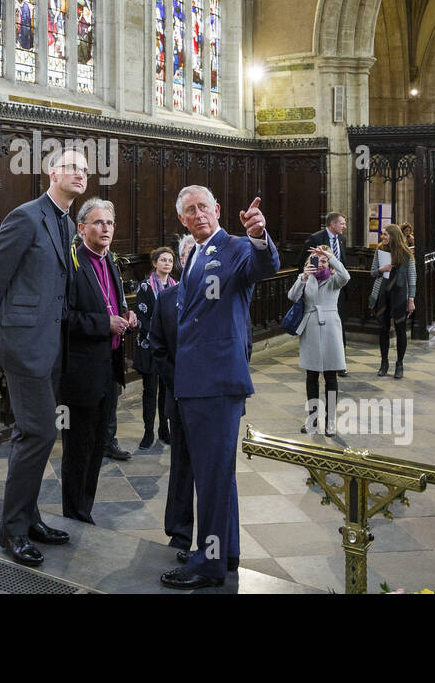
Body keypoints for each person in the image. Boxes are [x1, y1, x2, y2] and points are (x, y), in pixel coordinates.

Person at [159, 188, 279, 590]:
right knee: (217, 475)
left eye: (204, 207)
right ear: (182, 219)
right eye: (189, 210)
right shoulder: (191, 254)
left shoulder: (237, 248)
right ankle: (225, 553)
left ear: (219, 210)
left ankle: (207, 565)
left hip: (216, 382)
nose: (198, 215)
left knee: (210, 477)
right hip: (195, 383)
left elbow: (264, 264)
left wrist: (260, 236)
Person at [0, 148, 87, 567]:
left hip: (52, 344)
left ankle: (31, 516)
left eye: (84, 170)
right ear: (52, 172)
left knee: (40, 433)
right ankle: (13, 530)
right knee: (38, 432)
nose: (80, 175)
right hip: (23, 344)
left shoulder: (64, 222)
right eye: (72, 168)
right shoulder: (27, 216)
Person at [59, 198, 135, 524]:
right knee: (78, 447)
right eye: (98, 223)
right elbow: (61, 317)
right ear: (81, 228)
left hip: (108, 368)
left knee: (97, 447)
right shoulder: (72, 264)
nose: (105, 229)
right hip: (79, 372)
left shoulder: (111, 264)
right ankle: (74, 512)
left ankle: (84, 509)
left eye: (110, 223)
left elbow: (112, 306)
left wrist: (127, 317)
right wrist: (104, 324)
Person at [149, 235, 197, 554]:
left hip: (215, 402)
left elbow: (242, 344)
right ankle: (179, 534)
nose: (193, 258)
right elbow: (157, 348)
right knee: (181, 468)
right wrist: (180, 381)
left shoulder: (222, 296)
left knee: (215, 472)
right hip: (180, 396)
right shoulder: (166, 300)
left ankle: (215, 540)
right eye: (187, 254)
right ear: (180, 260)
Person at [288, 244, 349, 435]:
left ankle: (330, 420)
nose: (320, 264)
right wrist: (303, 277)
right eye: (316, 260)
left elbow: (346, 276)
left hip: (331, 327)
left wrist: (330, 257)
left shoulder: (334, 280)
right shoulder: (306, 278)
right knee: (311, 376)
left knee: (330, 376)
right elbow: (292, 296)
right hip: (311, 327)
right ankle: (312, 419)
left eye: (323, 260)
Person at [132, 245, 176, 448]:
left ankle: (163, 429)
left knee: (166, 391)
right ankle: (148, 431)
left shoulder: (176, 286)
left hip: (168, 349)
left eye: (170, 260)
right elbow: (142, 317)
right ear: (154, 263)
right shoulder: (145, 287)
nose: (167, 263)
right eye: (163, 260)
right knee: (150, 391)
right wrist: (160, 337)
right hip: (150, 346)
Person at [305, 212, 350, 372]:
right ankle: (319, 362)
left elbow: (342, 265)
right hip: (319, 288)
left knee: (338, 326)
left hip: (336, 286)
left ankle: (339, 363)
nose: (344, 226)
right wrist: (312, 277)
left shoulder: (342, 240)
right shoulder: (316, 239)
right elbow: (307, 261)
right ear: (333, 224)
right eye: (342, 223)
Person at [369, 224, 414, 379]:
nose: (383, 237)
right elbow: (373, 272)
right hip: (383, 295)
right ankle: (384, 363)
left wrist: (411, 300)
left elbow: (411, 278)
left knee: (401, 330)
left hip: (400, 295)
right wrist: (382, 270)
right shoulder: (380, 249)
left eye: (386, 235)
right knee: (383, 329)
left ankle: (399, 364)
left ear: (394, 236)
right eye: (383, 234)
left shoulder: (406, 253)